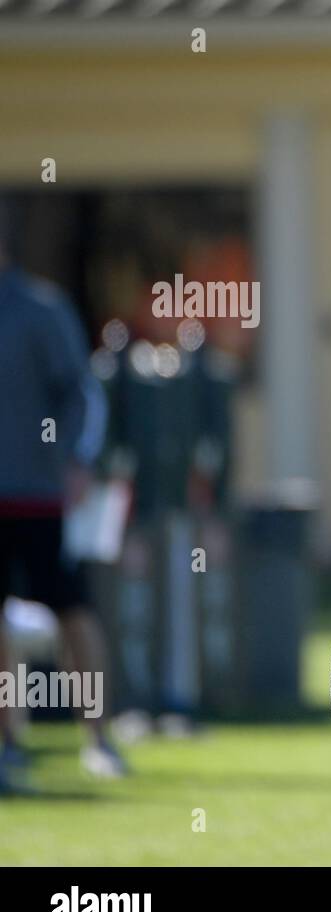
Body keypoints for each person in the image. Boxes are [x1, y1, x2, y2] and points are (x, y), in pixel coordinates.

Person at [0, 197, 127, 792]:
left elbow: (81, 396)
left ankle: (98, 739)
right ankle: (9, 743)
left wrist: (75, 462)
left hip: (39, 496)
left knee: (72, 612)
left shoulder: (40, 310)